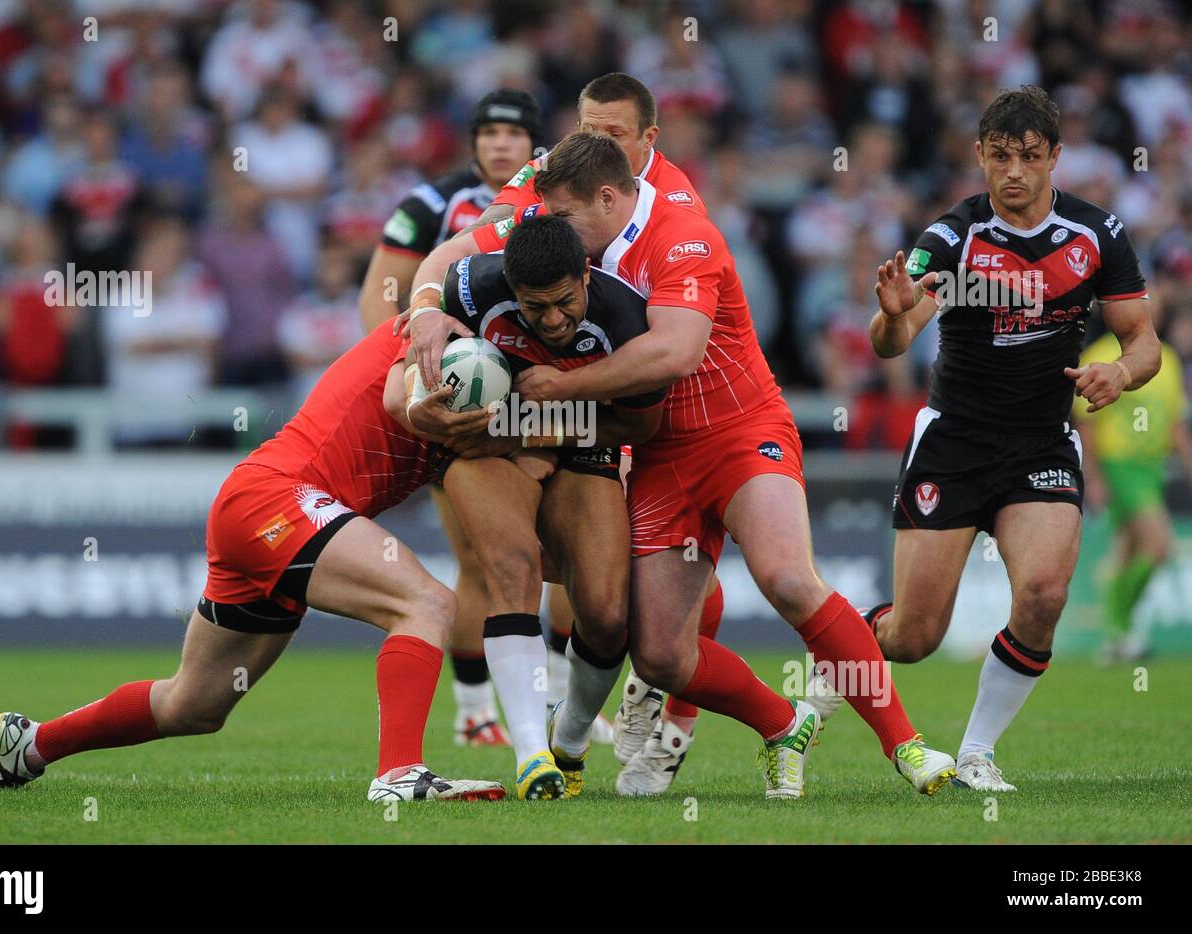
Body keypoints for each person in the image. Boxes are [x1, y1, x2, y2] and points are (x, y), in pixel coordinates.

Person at [406, 131, 956, 798]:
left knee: (786, 577)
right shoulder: (561, 241)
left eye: (562, 217)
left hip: (738, 429)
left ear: (608, 197)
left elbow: (674, 355)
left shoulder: (680, 232)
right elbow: (458, 249)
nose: (547, 225)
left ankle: (908, 746)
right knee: (660, 649)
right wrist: (426, 310)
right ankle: (777, 723)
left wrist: (556, 393)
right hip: (656, 448)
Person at [0, 323, 507, 804]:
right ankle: (398, 773)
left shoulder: (479, 378)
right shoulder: (434, 329)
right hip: (279, 499)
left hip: (263, 509)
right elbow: (405, 376)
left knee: (194, 706)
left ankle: (29, 745)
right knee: (426, 603)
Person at [833, 85, 1159, 792]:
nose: (1014, 171)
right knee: (914, 638)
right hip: (956, 441)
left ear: (1055, 159)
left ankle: (977, 752)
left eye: (1031, 157)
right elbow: (891, 342)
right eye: (1001, 156)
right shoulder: (951, 238)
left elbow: (1145, 343)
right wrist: (890, 316)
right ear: (979, 155)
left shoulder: (1096, 234)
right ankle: (829, 669)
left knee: (1043, 593)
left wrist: (1119, 374)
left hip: (1042, 443)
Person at [405, 215, 664, 798]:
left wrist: (541, 429)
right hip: (485, 445)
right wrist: (419, 409)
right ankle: (530, 757)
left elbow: (640, 426)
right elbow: (408, 392)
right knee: (512, 567)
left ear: (587, 276)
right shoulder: (470, 288)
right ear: (510, 287)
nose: (550, 320)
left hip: (576, 442)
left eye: (563, 302)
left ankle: (567, 742)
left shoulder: (628, 316)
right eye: (533, 306)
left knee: (602, 612)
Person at [359, 88, 542, 748]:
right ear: (472, 143)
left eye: (513, 133)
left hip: (540, 392)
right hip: (458, 393)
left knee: (549, 556)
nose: (500, 144)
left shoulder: (555, 196)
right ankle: (474, 711)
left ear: (533, 145)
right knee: (480, 557)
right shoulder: (430, 205)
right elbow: (381, 294)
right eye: (488, 132)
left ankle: (548, 702)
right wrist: (410, 371)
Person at [1074, 292, 1191, 663]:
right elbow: (1087, 423)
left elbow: (1174, 423)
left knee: (1126, 554)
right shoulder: (1100, 356)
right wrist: (1092, 476)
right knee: (1159, 548)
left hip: (1150, 468)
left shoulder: (1166, 359)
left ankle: (1115, 638)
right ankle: (1121, 626)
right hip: (1120, 464)